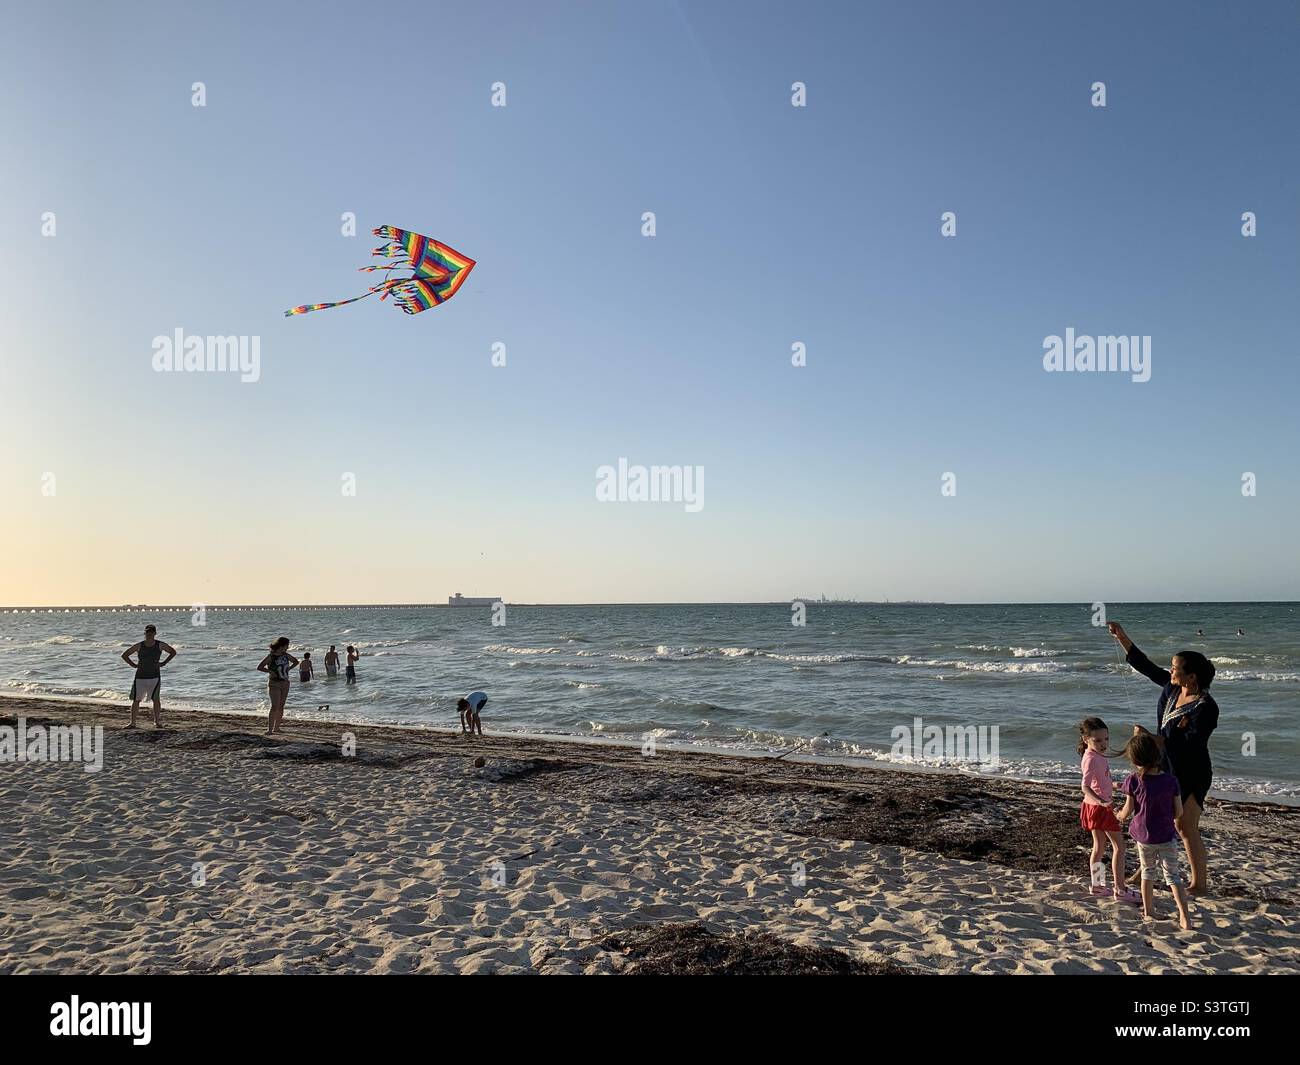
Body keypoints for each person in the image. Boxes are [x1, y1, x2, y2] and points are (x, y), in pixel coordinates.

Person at [1108, 621, 1219, 895]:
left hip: (1193, 771)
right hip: (1164, 766)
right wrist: (1122, 636)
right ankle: (1144, 871)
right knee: (1158, 818)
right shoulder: (1171, 688)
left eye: (1176, 668)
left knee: (1185, 826)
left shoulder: (1207, 707)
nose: (1171, 670)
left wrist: (1153, 738)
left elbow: (1191, 745)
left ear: (1191, 677)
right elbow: (1145, 666)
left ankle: (1199, 884)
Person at [1118, 732, 1193, 930]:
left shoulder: (1133, 780)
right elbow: (1179, 812)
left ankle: (1149, 911)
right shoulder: (1170, 781)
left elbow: (1127, 811)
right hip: (1167, 836)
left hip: (1144, 837)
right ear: (1157, 755)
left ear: (1134, 760)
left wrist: (1117, 816)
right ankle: (1185, 916)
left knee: (1147, 873)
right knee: (1173, 877)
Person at [121, 624, 177, 729]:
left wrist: (164, 663)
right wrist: (133, 665)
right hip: (140, 676)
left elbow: (173, 652)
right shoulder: (139, 645)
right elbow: (125, 655)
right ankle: (132, 723)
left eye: (151, 632)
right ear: (144, 633)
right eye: (147, 632)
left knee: (156, 699)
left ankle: (157, 722)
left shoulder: (160, 645)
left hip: (155, 676)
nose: (149, 634)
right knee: (136, 700)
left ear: (155, 633)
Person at [257, 637, 298, 735]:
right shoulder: (271, 656)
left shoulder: (286, 655)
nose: (288, 647)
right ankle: (270, 729)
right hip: (274, 683)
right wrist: (270, 671)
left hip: (285, 682)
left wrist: (289, 669)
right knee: (274, 706)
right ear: (282, 646)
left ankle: (277, 727)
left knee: (281, 706)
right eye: (287, 645)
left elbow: (296, 661)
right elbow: (259, 667)